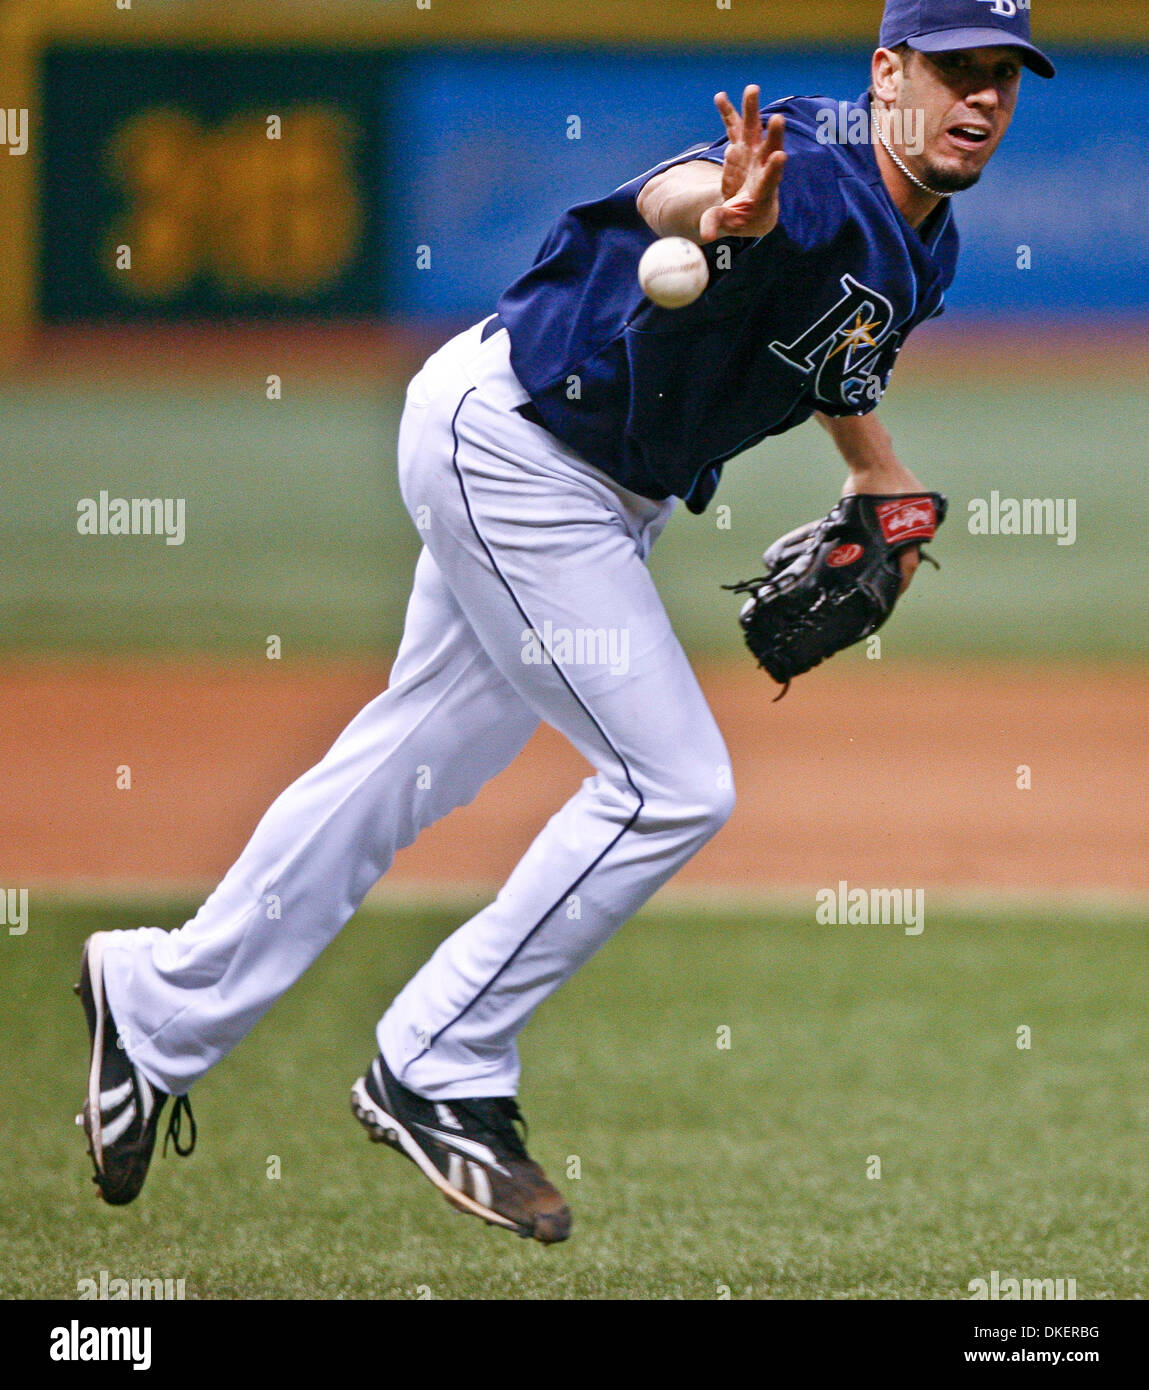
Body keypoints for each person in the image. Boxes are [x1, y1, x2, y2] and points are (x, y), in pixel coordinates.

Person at [76, 0, 1054, 1245]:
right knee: (672, 784)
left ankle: (157, 1002)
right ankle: (438, 1058)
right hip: (522, 454)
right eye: (953, 69)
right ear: (886, 72)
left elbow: (832, 356)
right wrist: (721, 212)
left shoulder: (932, 242)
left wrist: (876, 471)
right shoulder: (802, 170)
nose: (978, 99)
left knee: (419, 754)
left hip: (566, 473)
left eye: (1002, 78)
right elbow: (681, 198)